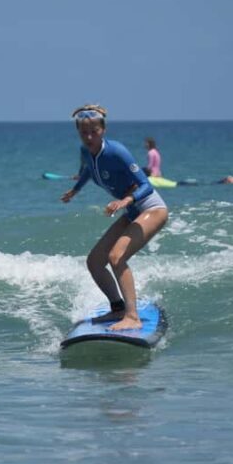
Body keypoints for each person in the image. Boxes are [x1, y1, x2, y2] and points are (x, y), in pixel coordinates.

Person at [61, 104, 169, 331]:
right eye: (84, 133)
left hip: (152, 208)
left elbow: (145, 185)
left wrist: (125, 201)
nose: (89, 137)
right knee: (94, 262)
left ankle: (132, 316)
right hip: (132, 212)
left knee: (117, 256)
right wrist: (75, 190)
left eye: (94, 132)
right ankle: (118, 307)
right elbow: (89, 170)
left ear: (103, 130)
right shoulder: (86, 152)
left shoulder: (116, 151)